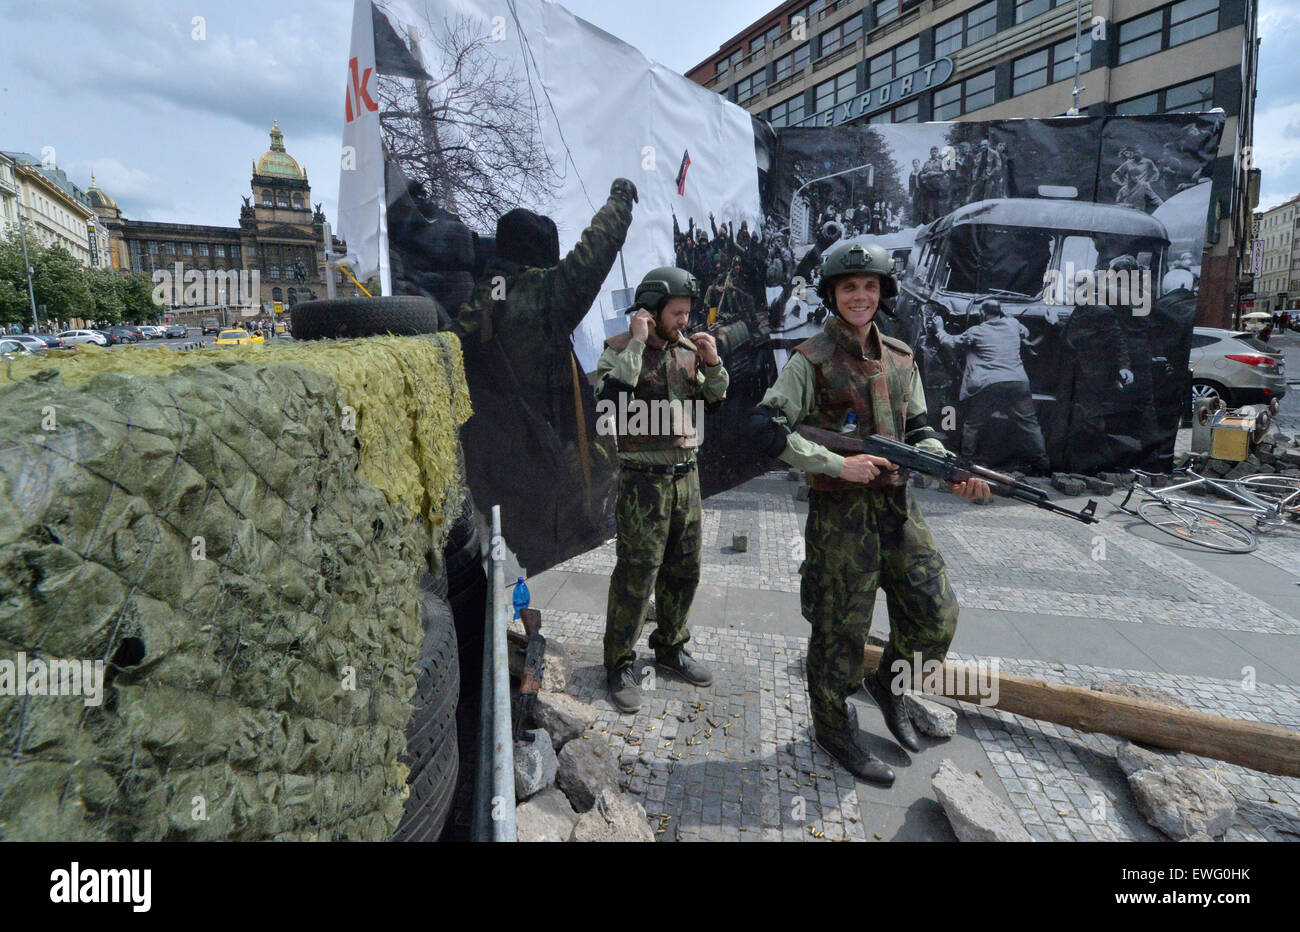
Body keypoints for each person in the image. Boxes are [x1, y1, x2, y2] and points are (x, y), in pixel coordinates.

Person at [745, 241, 990, 786]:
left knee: (936, 614)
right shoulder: (809, 360)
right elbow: (764, 427)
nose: (861, 296)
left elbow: (921, 431)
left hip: (898, 510)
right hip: (840, 519)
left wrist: (953, 471)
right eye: (849, 287)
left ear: (884, 293)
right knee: (839, 633)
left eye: (870, 286)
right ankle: (833, 729)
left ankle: (890, 686)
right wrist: (836, 463)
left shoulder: (901, 356)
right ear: (832, 294)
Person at [450, 177, 637, 572]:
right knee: (576, 565)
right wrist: (619, 200)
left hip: (497, 479)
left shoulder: (481, 302)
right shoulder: (534, 297)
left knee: (539, 569)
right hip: (546, 477)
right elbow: (592, 257)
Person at [595, 267, 729, 713]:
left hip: (686, 481)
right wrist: (635, 342)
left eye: (688, 313)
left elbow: (715, 400)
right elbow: (609, 408)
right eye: (676, 313)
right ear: (649, 312)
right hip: (642, 487)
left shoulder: (688, 350)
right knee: (636, 578)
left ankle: (670, 648)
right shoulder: (617, 351)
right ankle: (618, 663)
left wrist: (712, 364)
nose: (685, 322)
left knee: (684, 571)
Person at [929, 299, 1051, 473]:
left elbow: (951, 342)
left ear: (982, 314)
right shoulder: (1013, 324)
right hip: (1018, 381)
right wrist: (1007, 316)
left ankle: (965, 463)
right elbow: (1026, 332)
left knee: (972, 425)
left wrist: (940, 329)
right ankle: (1043, 464)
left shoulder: (977, 331)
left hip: (989, 383)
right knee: (1029, 424)